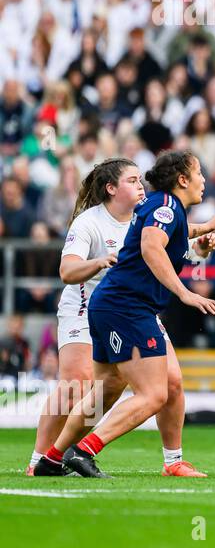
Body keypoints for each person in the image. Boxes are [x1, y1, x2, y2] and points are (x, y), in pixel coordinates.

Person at [33, 151, 215, 479]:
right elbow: (151, 247)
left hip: (113, 305)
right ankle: (83, 451)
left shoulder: (162, 208)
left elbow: (167, 241)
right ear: (182, 180)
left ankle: (52, 459)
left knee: (112, 387)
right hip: (124, 308)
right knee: (152, 393)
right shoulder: (165, 207)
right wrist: (184, 293)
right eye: (198, 173)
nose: (203, 180)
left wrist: (204, 233)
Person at [28, 159, 144, 475]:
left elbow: (177, 246)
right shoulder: (88, 223)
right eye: (133, 180)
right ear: (111, 188)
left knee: (109, 388)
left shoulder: (143, 220)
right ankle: (39, 459)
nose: (140, 185)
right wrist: (99, 261)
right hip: (82, 309)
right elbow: (66, 271)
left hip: (119, 313)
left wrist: (200, 248)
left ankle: (62, 453)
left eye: (140, 180)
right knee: (77, 384)